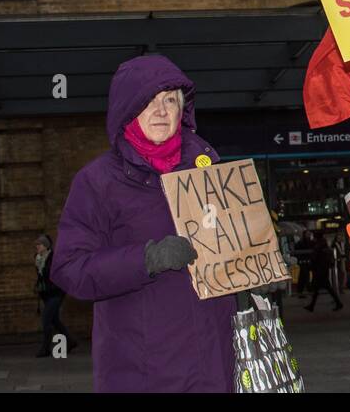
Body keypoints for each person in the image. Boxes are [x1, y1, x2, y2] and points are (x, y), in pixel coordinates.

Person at [51, 55, 235, 392]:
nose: (162, 111)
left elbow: (228, 249)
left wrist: (257, 271)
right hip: (143, 375)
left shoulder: (209, 169)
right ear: (126, 110)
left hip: (215, 368)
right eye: (148, 102)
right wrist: (145, 259)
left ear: (183, 109)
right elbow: (69, 267)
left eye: (169, 100)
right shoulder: (97, 182)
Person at [33, 233, 73, 358]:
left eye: (39, 244)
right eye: (37, 245)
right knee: (55, 320)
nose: (37, 247)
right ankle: (71, 341)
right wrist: (37, 286)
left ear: (46, 246)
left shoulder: (54, 258)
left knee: (46, 320)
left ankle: (45, 348)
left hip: (56, 293)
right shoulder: (38, 258)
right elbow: (42, 277)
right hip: (46, 294)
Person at [305, 233, 344, 312]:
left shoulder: (318, 247)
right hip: (323, 270)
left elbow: (314, 258)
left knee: (322, 288)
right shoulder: (325, 247)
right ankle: (312, 306)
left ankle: (338, 303)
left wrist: (311, 266)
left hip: (319, 271)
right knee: (323, 288)